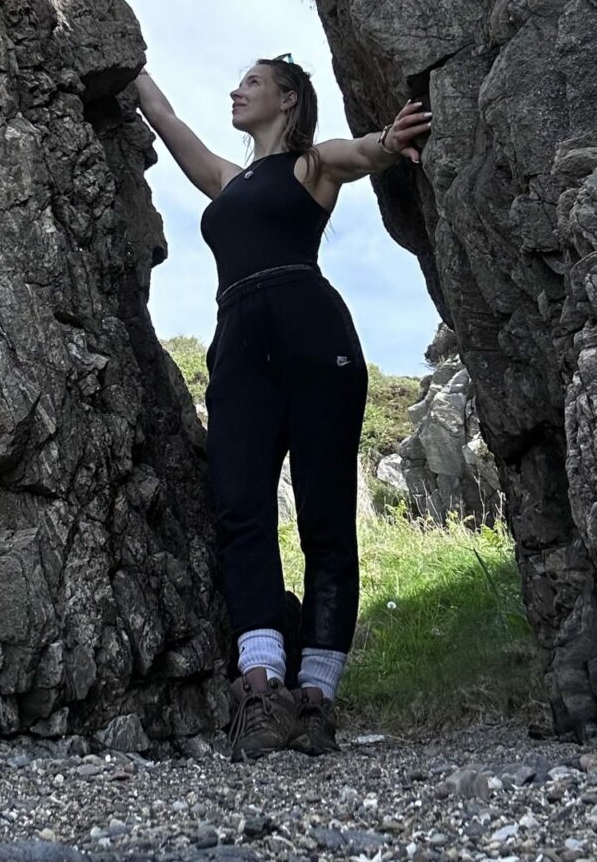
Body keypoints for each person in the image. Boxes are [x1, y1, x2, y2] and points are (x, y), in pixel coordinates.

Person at [135, 54, 431, 759]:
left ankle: (317, 696)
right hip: (239, 351)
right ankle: (262, 686)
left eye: (253, 83)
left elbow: (363, 153)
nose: (236, 91)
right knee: (241, 511)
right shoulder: (227, 180)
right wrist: (132, 70)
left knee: (326, 521)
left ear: (288, 99)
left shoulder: (311, 165)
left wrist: (389, 142)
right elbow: (166, 119)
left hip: (315, 339)